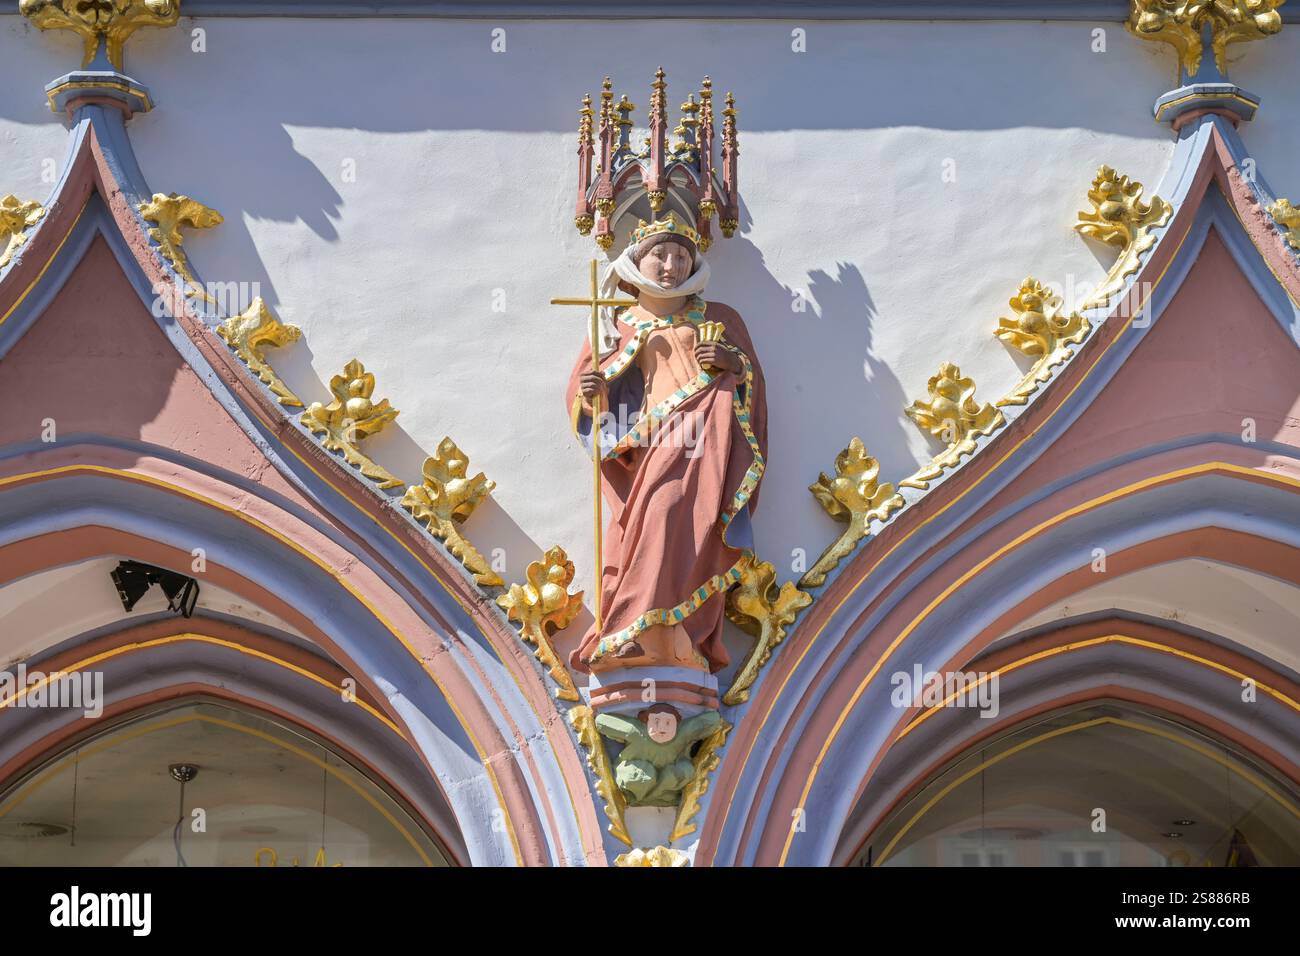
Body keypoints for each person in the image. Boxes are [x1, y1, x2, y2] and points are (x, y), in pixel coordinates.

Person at [564, 211, 768, 675]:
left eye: (681, 255)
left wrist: (731, 365)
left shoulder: (719, 317)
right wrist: (594, 395)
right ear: (638, 261)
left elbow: (751, 387)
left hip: (704, 439)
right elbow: (586, 393)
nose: (671, 265)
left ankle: (684, 634)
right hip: (646, 445)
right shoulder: (615, 322)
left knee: (686, 517)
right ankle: (635, 627)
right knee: (649, 519)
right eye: (660, 255)